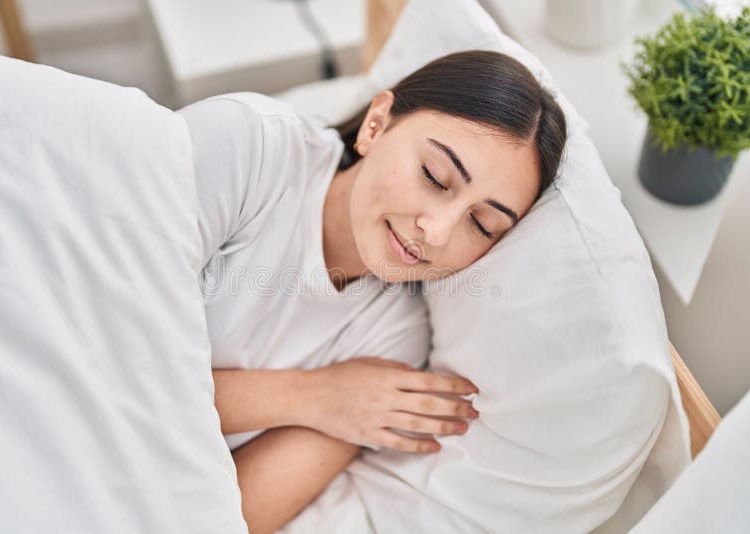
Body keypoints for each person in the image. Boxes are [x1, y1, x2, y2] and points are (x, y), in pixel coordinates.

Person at [176, 50, 567, 533]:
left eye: (481, 225)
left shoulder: (393, 348)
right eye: (434, 177)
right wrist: (314, 396)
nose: (437, 232)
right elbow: (110, 362)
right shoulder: (249, 146)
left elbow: (228, 518)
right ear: (376, 124)